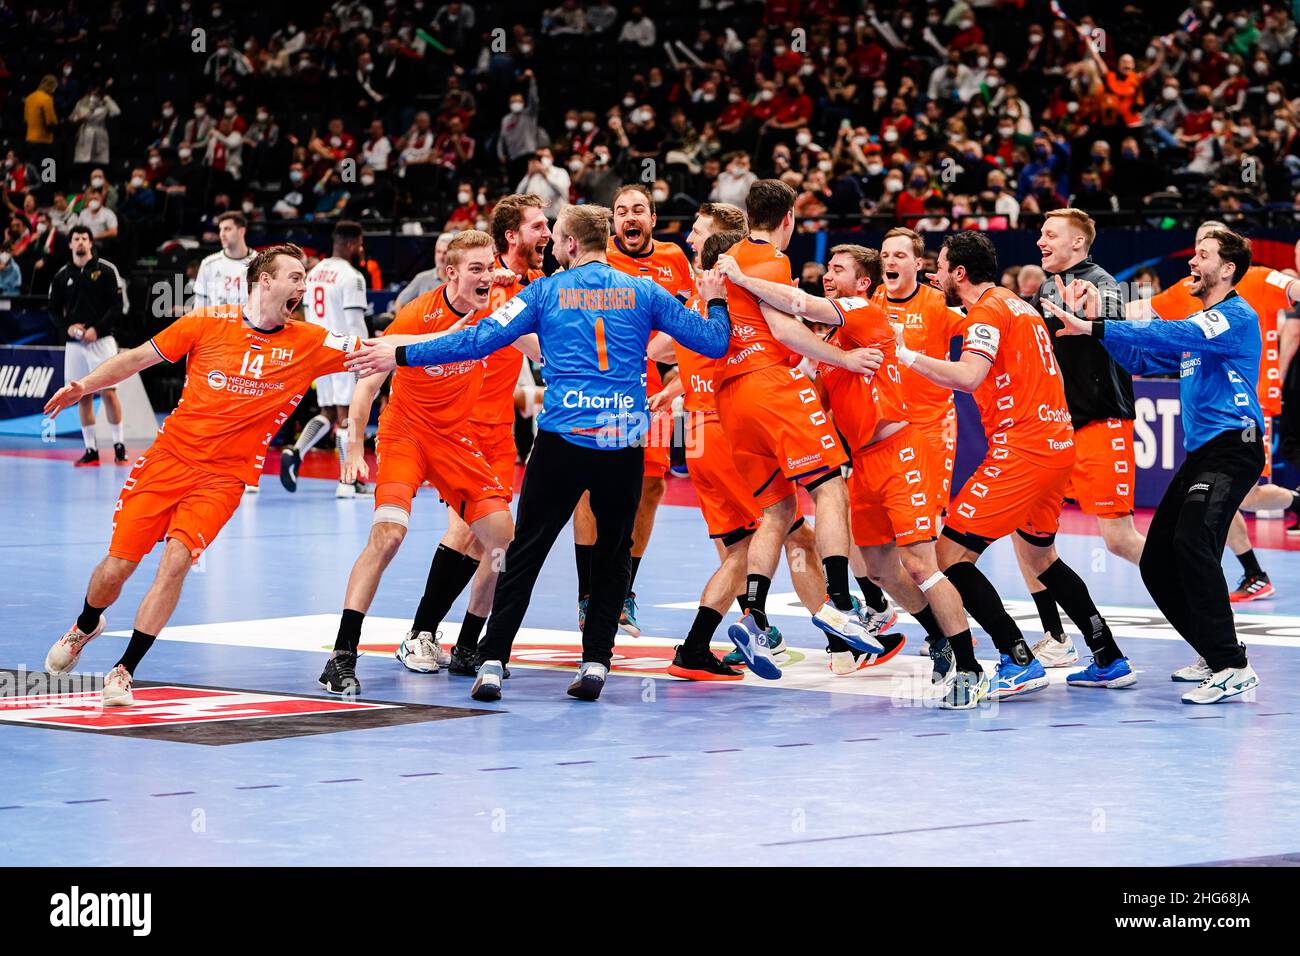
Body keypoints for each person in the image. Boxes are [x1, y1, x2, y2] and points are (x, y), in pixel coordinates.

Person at [344, 205, 731, 703]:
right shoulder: (645, 290)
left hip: (563, 436)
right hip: (623, 436)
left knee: (524, 551)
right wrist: (716, 300)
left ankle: (492, 662)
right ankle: (595, 663)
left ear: (570, 245)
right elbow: (713, 343)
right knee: (612, 555)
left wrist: (401, 353)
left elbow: (479, 339)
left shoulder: (544, 292)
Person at [41, 244, 359, 706]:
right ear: (265, 280)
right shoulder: (207, 323)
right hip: (169, 459)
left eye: (304, 276)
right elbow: (136, 360)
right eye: (295, 275)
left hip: (224, 478)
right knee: (117, 568)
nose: (302, 284)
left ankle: (124, 670)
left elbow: (383, 348)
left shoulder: (310, 341)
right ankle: (87, 625)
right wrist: (85, 385)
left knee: (175, 562)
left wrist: (465, 334)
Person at [719, 243, 981, 705]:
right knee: (879, 569)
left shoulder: (864, 311)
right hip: (863, 464)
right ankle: (937, 638)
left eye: (838, 270)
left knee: (921, 563)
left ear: (863, 283)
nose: (827, 275)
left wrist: (743, 280)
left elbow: (797, 305)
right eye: (827, 269)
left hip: (901, 452)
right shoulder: (828, 347)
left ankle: (970, 663)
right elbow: (786, 328)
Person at [902, 232, 1133, 701]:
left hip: (1022, 447)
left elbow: (969, 376)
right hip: (1056, 442)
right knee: (1040, 557)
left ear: (960, 273)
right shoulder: (1016, 304)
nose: (936, 273)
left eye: (942, 267)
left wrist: (905, 355)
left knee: (949, 558)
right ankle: (1107, 654)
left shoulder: (987, 311)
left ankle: (1017, 657)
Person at [1045, 229, 1263, 705]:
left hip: (1235, 446)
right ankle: (1212, 650)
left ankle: (1232, 665)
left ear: (1226, 269)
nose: (1192, 262)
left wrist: (1098, 325)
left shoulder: (1233, 316)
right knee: (1158, 561)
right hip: (1203, 452)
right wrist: (1095, 325)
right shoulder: (1201, 319)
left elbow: (1175, 333)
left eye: (1202, 256)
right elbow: (1143, 355)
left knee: (1192, 541)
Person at [321, 231, 524, 694]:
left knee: (502, 538)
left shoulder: (499, 307)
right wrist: (354, 446)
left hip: (455, 438)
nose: (486, 275)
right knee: (389, 534)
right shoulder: (418, 313)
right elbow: (370, 379)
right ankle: (342, 654)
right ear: (451, 273)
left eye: (490, 266)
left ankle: (469, 645)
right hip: (405, 434)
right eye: (476, 268)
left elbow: (533, 336)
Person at [711, 179, 889, 679]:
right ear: (789, 218)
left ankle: (753, 616)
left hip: (731, 398)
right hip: (771, 384)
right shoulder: (774, 261)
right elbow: (789, 329)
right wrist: (847, 359)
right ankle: (838, 602)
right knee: (831, 489)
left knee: (777, 511)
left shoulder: (726, 260)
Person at [405, 195, 550, 678]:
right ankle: (421, 633)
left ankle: (469, 644)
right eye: (538, 227)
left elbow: (537, 345)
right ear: (512, 237)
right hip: (457, 428)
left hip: (499, 434)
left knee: (496, 545)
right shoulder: (484, 282)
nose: (546, 235)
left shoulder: (535, 286)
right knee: (466, 531)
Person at [1137, 220, 1300, 601]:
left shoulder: (1258, 278)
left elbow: (1292, 288)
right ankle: (1256, 568)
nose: (1195, 258)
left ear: (1227, 260)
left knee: (1238, 497)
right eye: (1195, 248)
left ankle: (1252, 572)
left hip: (1248, 407)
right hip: (1208, 417)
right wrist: (1094, 308)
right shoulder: (1185, 290)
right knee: (1241, 497)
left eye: (1205, 250)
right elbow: (1143, 310)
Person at [1022, 208, 1144, 667]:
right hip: (1056, 431)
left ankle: (1199, 601)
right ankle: (1056, 636)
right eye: (1040, 233)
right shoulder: (1048, 288)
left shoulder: (1104, 283)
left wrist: (1101, 308)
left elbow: (1132, 311)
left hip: (1100, 425)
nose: (1040, 241)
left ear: (1078, 243)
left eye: (1050, 234)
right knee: (1028, 533)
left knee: (1118, 539)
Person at [571, 183, 694, 637]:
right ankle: (588, 596)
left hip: (650, 389)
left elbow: (685, 326)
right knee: (589, 488)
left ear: (652, 219)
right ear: (612, 223)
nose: (629, 217)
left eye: (638, 210)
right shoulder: (595, 256)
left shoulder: (674, 260)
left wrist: (676, 379)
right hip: (598, 388)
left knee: (651, 487)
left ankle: (623, 592)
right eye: (621, 211)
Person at [872, 227, 969, 611]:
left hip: (931, 427)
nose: (890, 262)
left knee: (923, 537)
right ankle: (880, 608)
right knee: (873, 541)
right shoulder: (872, 299)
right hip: (884, 431)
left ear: (918, 264)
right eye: (884, 256)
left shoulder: (937, 304)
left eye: (898, 256)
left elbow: (984, 325)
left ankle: (952, 616)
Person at [282, 221, 371, 498]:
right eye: (359, 244)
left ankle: (296, 452)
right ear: (349, 244)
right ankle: (347, 481)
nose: (361, 249)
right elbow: (355, 324)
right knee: (347, 416)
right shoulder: (352, 276)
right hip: (344, 352)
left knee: (328, 412)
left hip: (319, 351)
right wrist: (363, 358)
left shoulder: (315, 272)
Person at [47, 226, 128, 467]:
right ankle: (91, 450)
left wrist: (97, 329)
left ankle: (119, 447)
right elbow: (52, 309)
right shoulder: (61, 275)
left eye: (84, 238)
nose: (80, 242)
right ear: (70, 245)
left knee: (110, 393)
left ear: (91, 243)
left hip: (102, 342)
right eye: (76, 239)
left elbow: (116, 306)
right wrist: (67, 327)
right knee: (80, 395)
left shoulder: (106, 270)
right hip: (75, 344)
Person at [193, 211, 256, 308]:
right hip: (216, 322)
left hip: (248, 322)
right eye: (220, 229)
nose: (222, 234)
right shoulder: (208, 264)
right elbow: (199, 309)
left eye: (227, 229)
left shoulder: (260, 263)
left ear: (241, 231)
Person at [395, 232, 453, 308]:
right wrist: (401, 320)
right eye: (438, 252)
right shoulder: (422, 278)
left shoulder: (460, 279)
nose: (441, 257)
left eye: (445, 253)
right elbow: (400, 302)